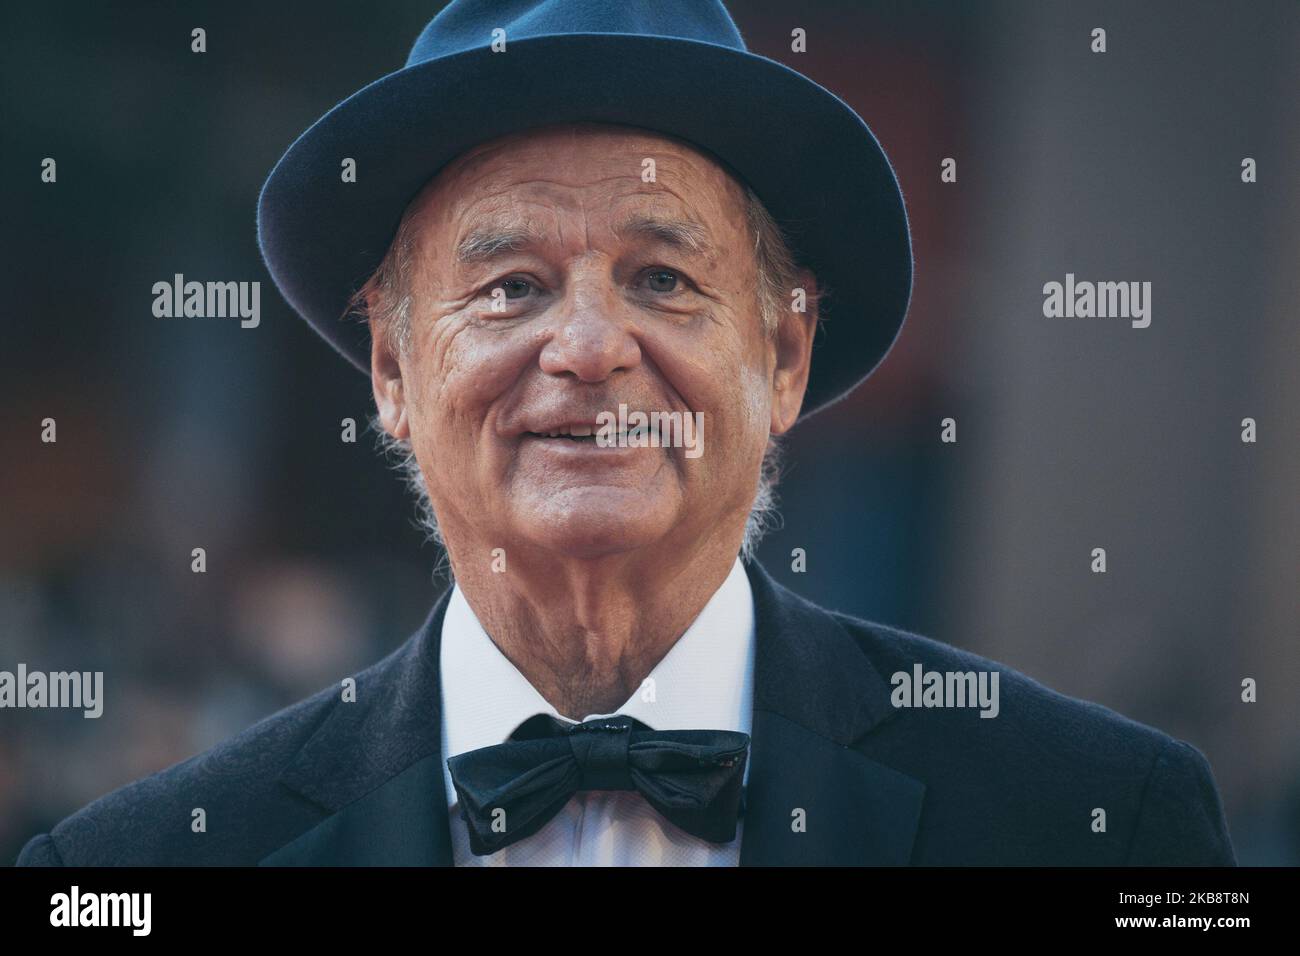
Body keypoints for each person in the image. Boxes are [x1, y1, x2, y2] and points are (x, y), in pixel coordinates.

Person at [17, 0, 1234, 866]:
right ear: (392, 367)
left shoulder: (1093, 819)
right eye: (508, 287)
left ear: (784, 355)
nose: (589, 345)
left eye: (661, 277)